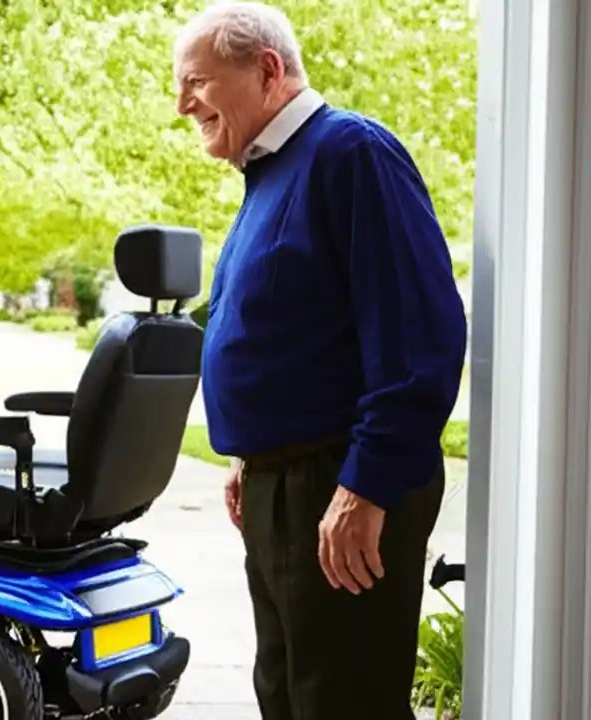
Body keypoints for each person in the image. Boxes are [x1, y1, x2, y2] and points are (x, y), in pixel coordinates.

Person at [171, 3, 468, 719]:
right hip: (287, 489)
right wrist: (249, 458)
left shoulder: (351, 153)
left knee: (341, 704)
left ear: (267, 69)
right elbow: (293, 333)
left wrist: (365, 487)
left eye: (197, 83)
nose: (183, 106)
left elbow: (420, 337)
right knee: (290, 698)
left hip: (340, 488)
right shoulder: (271, 173)